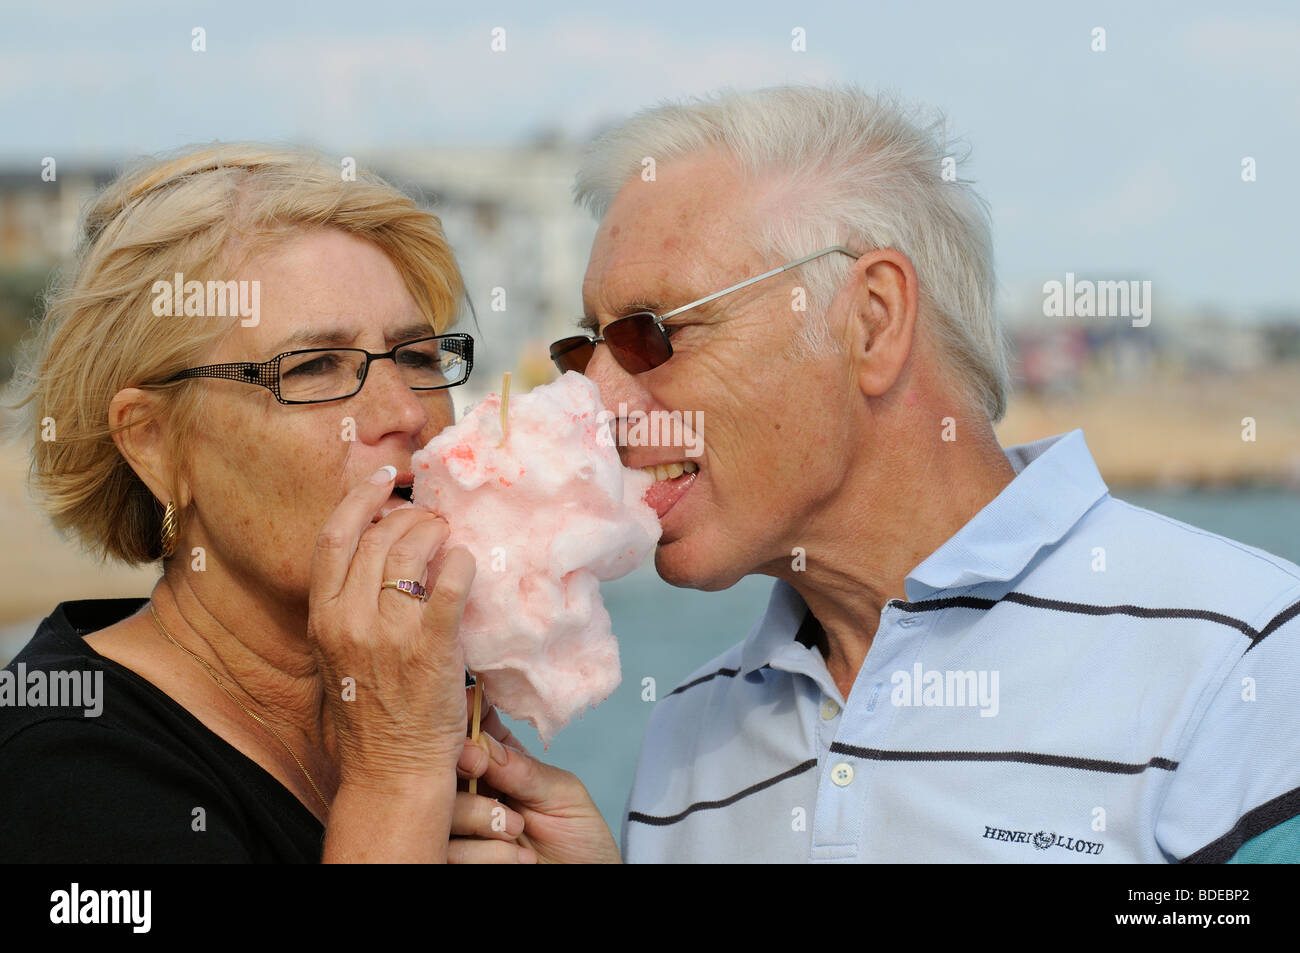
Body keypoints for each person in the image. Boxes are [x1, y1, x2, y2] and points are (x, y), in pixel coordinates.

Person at [466, 84, 1300, 863]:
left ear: (871, 321)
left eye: (651, 333)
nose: (594, 400)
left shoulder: (1247, 657)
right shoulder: (690, 727)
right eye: (584, 348)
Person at [0, 143, 533, 862]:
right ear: (155, 443)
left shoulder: (437, 709)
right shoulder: (60, 760)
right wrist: (397, 780)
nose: (406, 410)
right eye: (313, 366)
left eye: (417, 354)